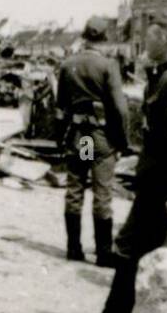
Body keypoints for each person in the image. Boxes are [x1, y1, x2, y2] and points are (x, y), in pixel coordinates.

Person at [70, 13, 167, 313]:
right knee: (127, 230)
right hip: (137, 163)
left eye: (149, 36)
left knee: (123, 239)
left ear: (163, 37)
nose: (145, 42)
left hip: (141, 173)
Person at [56, 18, 130, 264]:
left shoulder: (68, 65)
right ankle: (103, 252)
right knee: (102, 193)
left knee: (75, 190)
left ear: (85, 36)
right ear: (104, 39)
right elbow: (120, 110)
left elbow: (60, 108)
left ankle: (73, 248)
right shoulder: (108, 66)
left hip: (80, 137)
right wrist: (122, 142)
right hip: (99, 138)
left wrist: (60, 139)